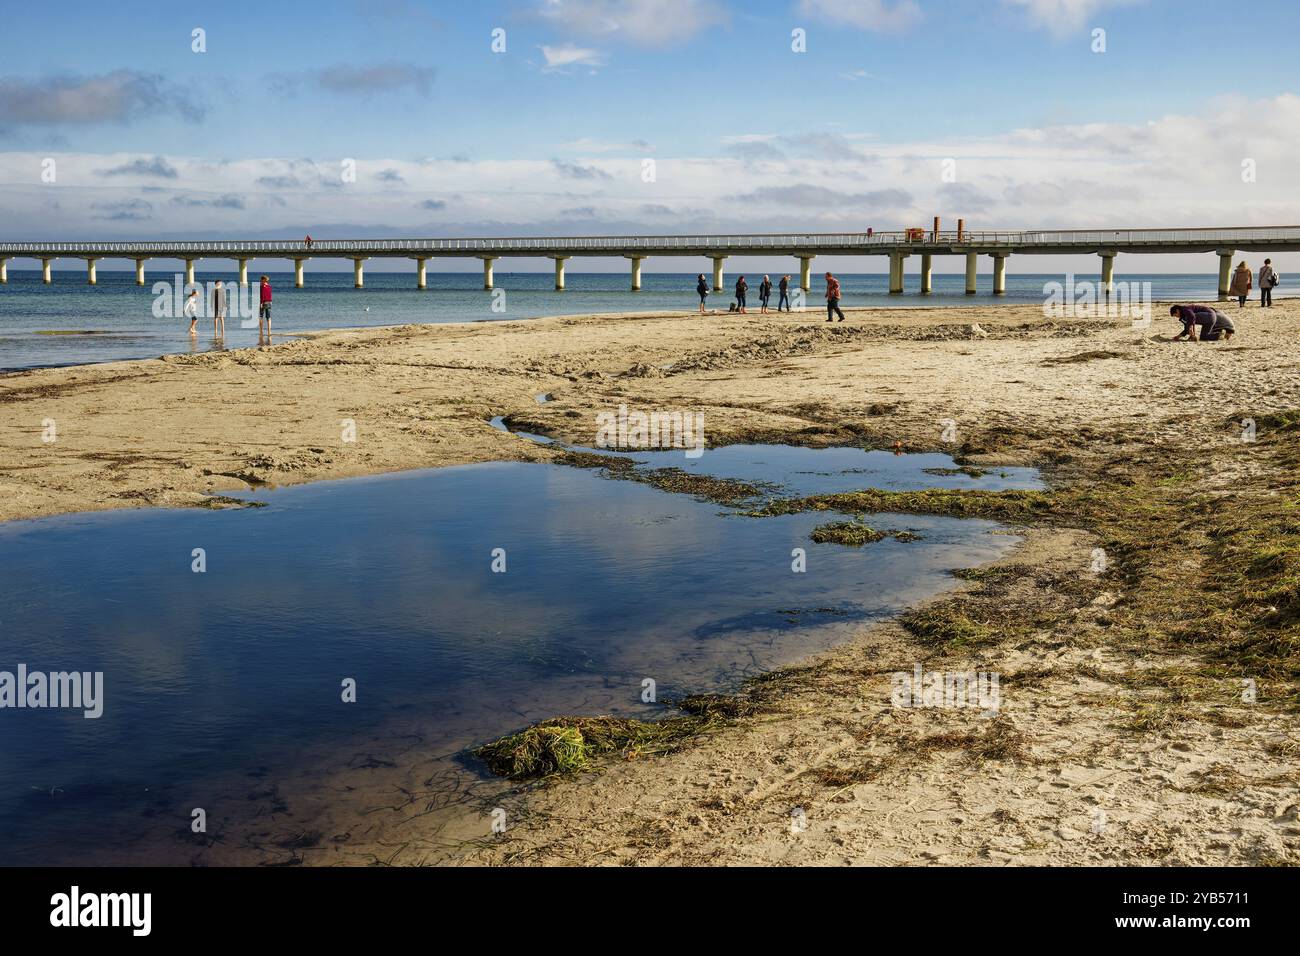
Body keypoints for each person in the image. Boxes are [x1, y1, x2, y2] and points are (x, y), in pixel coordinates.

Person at [1170, 304, 1234, 342]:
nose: (1177, 317)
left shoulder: (1184, 309)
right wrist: (1178, 336)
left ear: (1177, 310)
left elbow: (1192, 316)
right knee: (1204, 337)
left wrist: (1190, 328)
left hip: (1209, 315)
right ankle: (1220, 335)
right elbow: (1186, 328)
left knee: (1188, 319)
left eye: (1175, 315)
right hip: (1211, 319)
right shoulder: (1184, 317)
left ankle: (1192, 336)